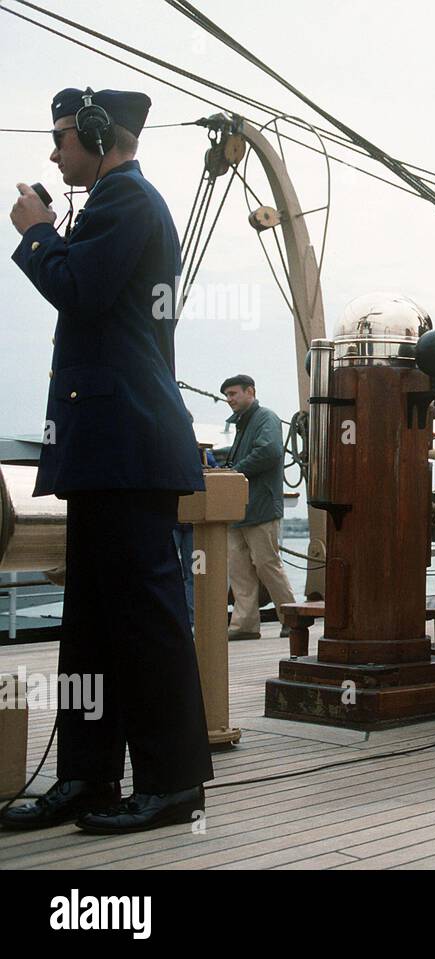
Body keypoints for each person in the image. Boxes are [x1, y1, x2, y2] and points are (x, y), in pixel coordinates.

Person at [3, 87, 211, 833]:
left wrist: (35, 234)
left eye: (62, 138)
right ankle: (87, 774)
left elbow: (80, 291)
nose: (55, 153)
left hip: (128, 450)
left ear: (97, 133)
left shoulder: (129, 202)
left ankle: (173, 782)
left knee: (148, 624)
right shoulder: (113, 206)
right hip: (104, 450)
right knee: (90, 625)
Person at [216, 374, 298, 640]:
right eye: (227, 395)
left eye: (233, 394)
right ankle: (245, 625)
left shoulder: (265, 418)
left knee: (266, 564)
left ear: (250, 391)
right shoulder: (243, 424)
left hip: (260, 506)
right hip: (240, 509)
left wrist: (234, 472)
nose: (229, 400)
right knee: (239, 570)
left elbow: (270, 451)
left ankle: (292, 618)